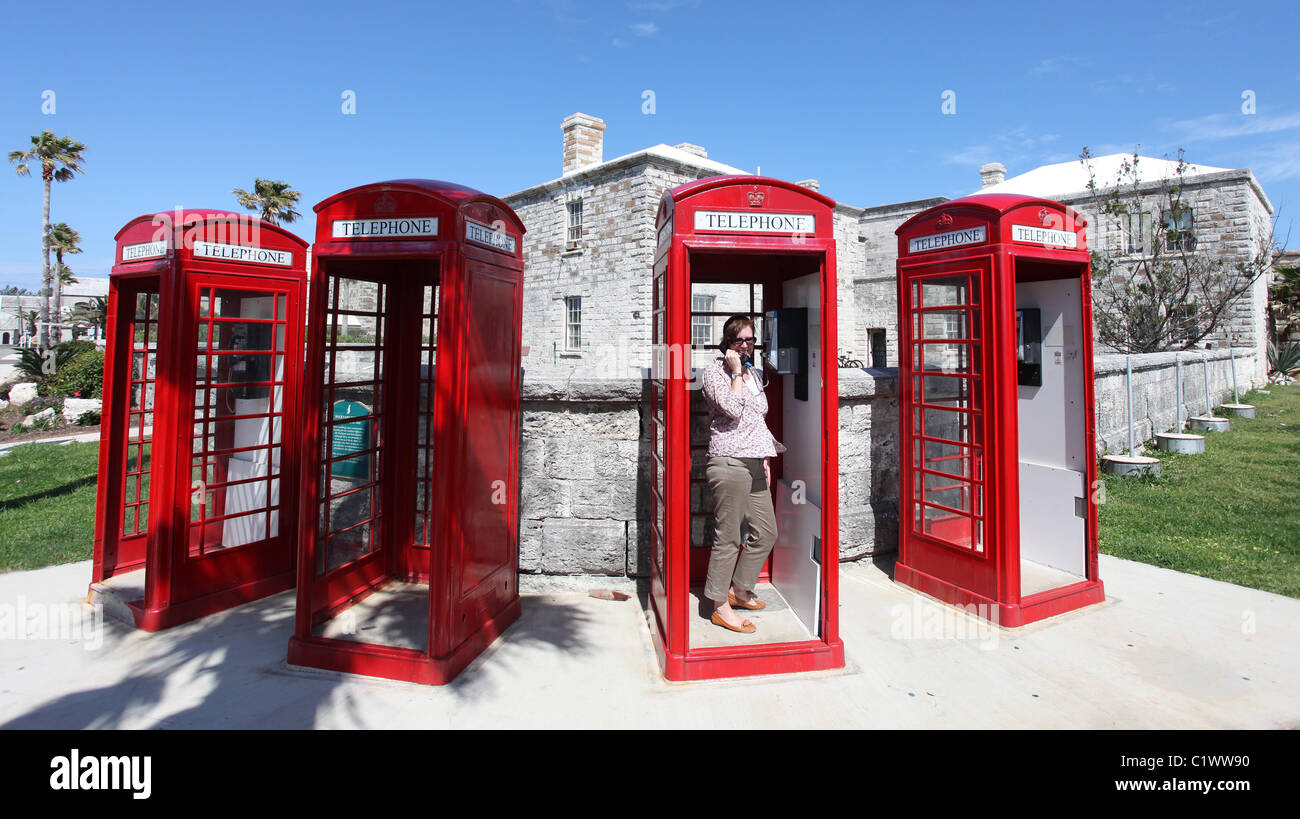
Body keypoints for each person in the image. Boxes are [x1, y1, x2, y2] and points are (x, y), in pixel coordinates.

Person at [699, 314, 784, 633]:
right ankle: (718, 604)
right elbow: (732, 409)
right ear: (727, 343)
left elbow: (756, 417)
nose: (746, 345)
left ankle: (740, 589)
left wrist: (766, 451)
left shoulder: (754, 373)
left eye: (751, 340)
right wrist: (735, 371)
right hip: (729, 460)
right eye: (740, 341)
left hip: (754, 460)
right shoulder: (714, 372)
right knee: (729, 537)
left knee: (766, 532)